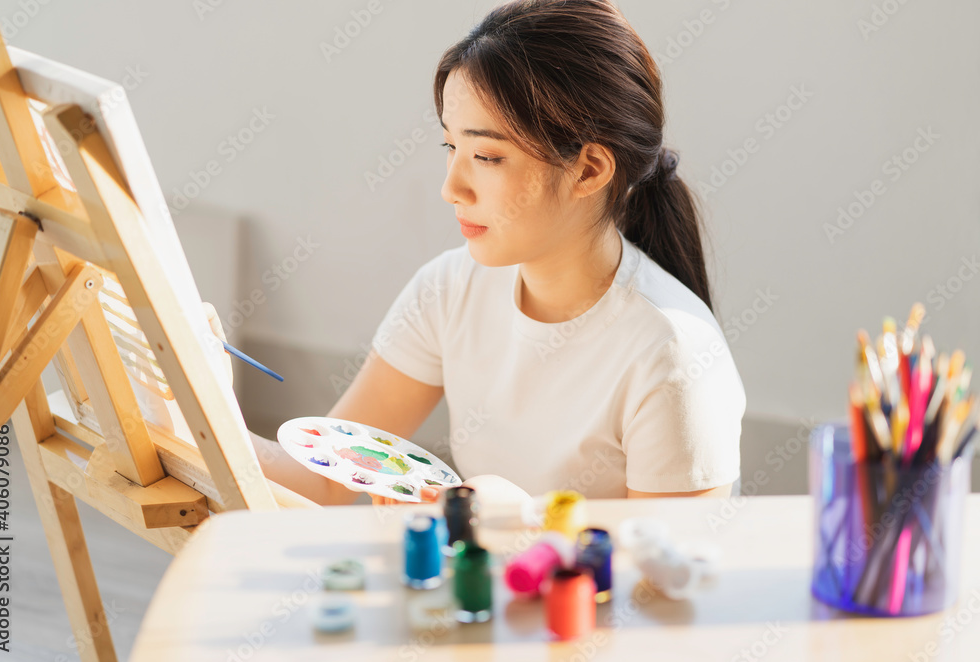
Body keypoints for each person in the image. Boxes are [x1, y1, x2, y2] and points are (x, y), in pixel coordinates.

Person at [211, 0, 746, 507]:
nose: (452, 188)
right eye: (452, 147)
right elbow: (319, 481)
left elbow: (664, 585)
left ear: (589, 170)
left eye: (487, 155)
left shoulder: (673, 355)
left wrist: (520, 527)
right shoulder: (449, 289)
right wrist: (195, 388)